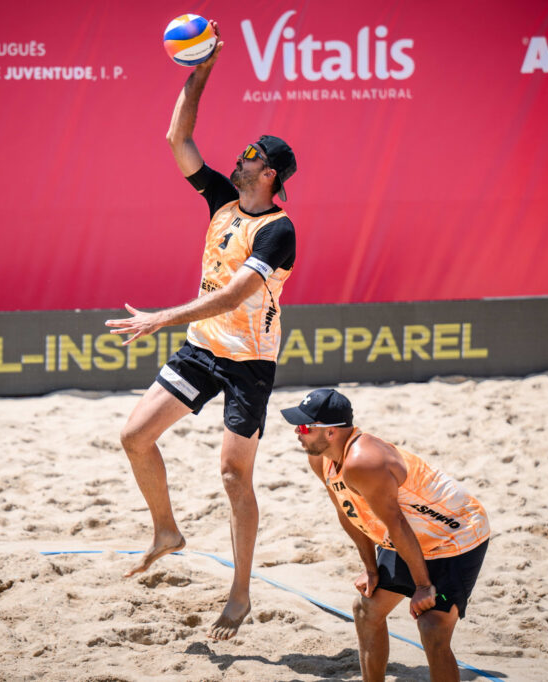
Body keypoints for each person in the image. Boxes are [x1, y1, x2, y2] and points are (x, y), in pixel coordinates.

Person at [104, 20, 297, 642]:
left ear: (270, 176)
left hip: (249, 362)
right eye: (243, 153)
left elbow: (238, 294)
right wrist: (204, 67)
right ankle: (167, 529)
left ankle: (239, 593)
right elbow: (175, 135)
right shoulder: (218, 197)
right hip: (203, 349)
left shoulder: (278, 230)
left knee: (235, 477)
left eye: (253, 156)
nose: (241, 158)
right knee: (134, 437)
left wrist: (162, 317)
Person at [281, 389, 490, 682]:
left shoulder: (364, 461)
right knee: (366, 611)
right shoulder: (321, 459)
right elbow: (348, 513)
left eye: (304, 427)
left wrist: (422, 586)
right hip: (407, 535)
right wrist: (370, 569)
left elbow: (398, 525)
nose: (296, 432)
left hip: (454, 535)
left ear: (331, 433)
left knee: (432, 629)